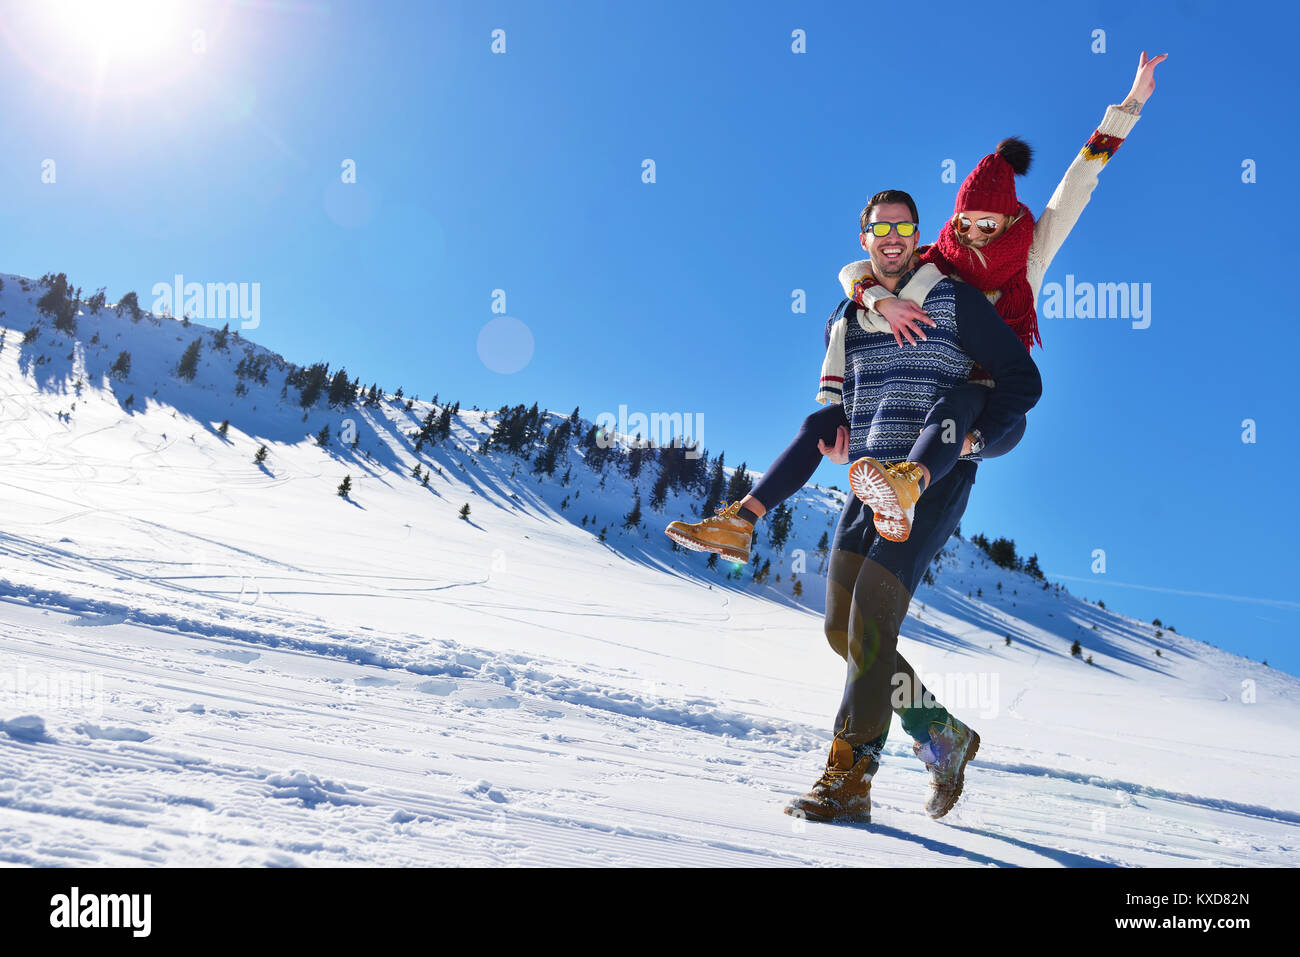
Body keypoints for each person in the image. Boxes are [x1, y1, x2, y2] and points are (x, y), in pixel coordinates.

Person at [665, 51, 1165, 560]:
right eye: (965, 223)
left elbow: (1076, 186)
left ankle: (910, 485)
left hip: (991, 403)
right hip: (921, 395)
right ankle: (742, 520)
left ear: (1011, 221)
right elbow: (859, 270)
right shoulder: (937, 261)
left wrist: (1129, 106)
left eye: (987, 226)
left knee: (961, 400)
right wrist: (879, 300)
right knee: (822, 423)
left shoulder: (1031, 252)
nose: (973, 236)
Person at [786, 189, 1042, 822]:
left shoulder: (950, 300)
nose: (893, 235)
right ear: (865, 236)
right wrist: (840, 429)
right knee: (840, 630)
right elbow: (847, 393)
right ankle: (940, 734)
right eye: (881, 226)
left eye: (906, 226)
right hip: (868, 477)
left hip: (926, 479)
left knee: (872, 625)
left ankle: (850, 778)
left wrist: (979, 439)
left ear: (921, 235)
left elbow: (1021, 379)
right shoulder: (851, 312)